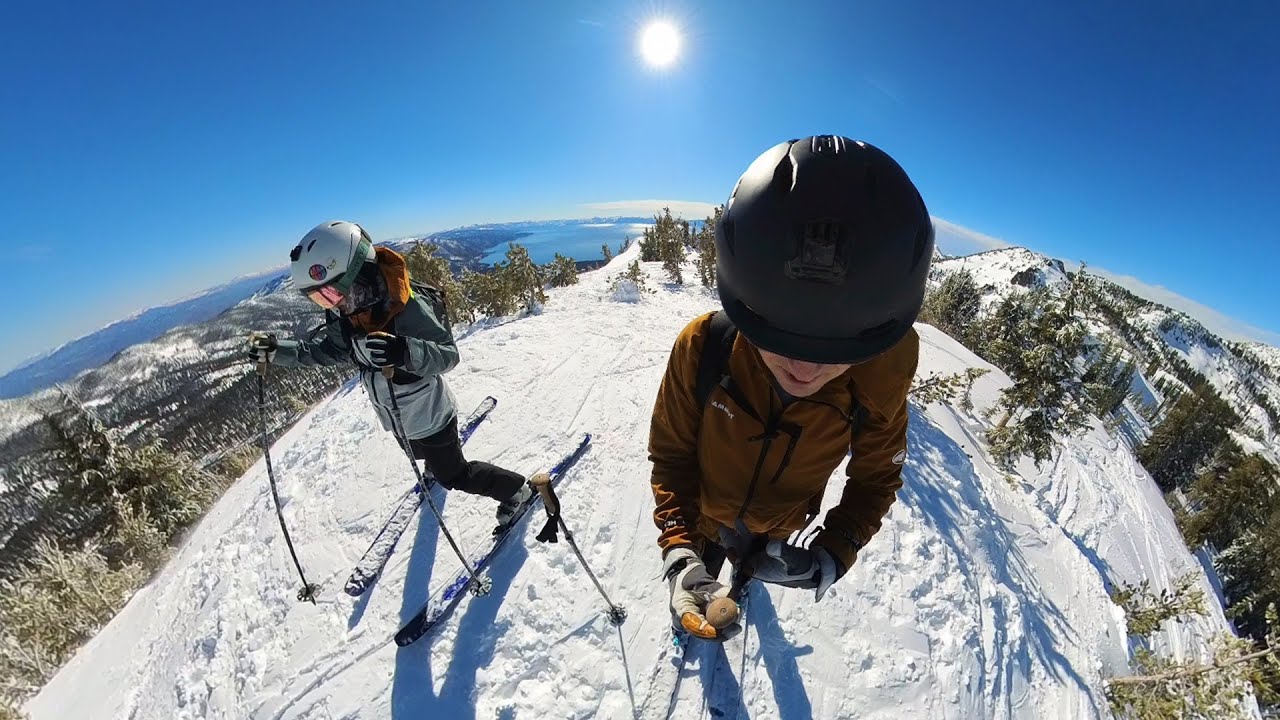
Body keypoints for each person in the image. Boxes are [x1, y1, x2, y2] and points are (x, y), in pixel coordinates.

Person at [648, 136, 933, 639]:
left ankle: (740, 580)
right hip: (706, 517)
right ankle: (709, 577)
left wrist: (831, 553)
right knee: (709, 563)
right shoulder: (704, 348)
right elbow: (672, 456)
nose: (804, 368)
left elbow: (875, 480)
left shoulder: (876, 383)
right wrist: (681, 549)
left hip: (776, 527)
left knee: (752, 564)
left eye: (836, 351)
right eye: (775, 337)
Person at [247, 220, 532, 525]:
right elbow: (328, 350)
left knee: (455, 476)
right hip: (398, 418)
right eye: (322, 298)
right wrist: (279, 351)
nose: (335, 305)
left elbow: (448, 356)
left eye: (333, 293)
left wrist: (405, 351)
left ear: (360, 273)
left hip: (431, 417)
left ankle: (517, 490)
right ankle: (433, 466)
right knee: (419, 453)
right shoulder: (349, 314)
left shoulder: (406, 307)